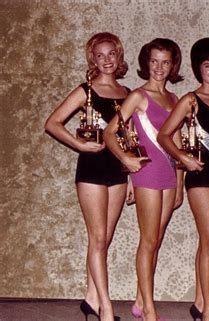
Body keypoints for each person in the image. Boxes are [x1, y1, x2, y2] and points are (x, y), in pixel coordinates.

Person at [44, 32, 129, 321]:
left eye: (111, 54)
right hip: (91, 170)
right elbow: (52, 123)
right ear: (92, 58)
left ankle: (91, 299)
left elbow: (129, 139)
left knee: (106, 239)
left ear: (119, 57)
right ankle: (106, 307)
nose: (106, 60)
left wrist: (131, 175)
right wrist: (79, 144)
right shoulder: (86, 91)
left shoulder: (127, 94)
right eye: (100, 55)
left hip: (117, 170)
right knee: (97, 237)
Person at [157, 37, 209, 321]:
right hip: (200, 177)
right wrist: (184, 157)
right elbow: (164, 135)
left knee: (208, 243)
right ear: (197, 68)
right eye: (207, 65)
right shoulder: (190, 100)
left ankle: (199, 302)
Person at [103, 38, 184, 321]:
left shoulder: (175, 99)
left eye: (165, 61)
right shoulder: (138, 96)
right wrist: (126, 161)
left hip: (169, 173)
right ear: (145, 63)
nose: (159, 67)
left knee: (157, 238)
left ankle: (140, 299)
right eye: (154, 61)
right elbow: (110, 133)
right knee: (148, 240)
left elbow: (176, 142)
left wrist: (180, 182)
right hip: (147, 172)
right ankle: (149, 309)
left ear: (173, 65)